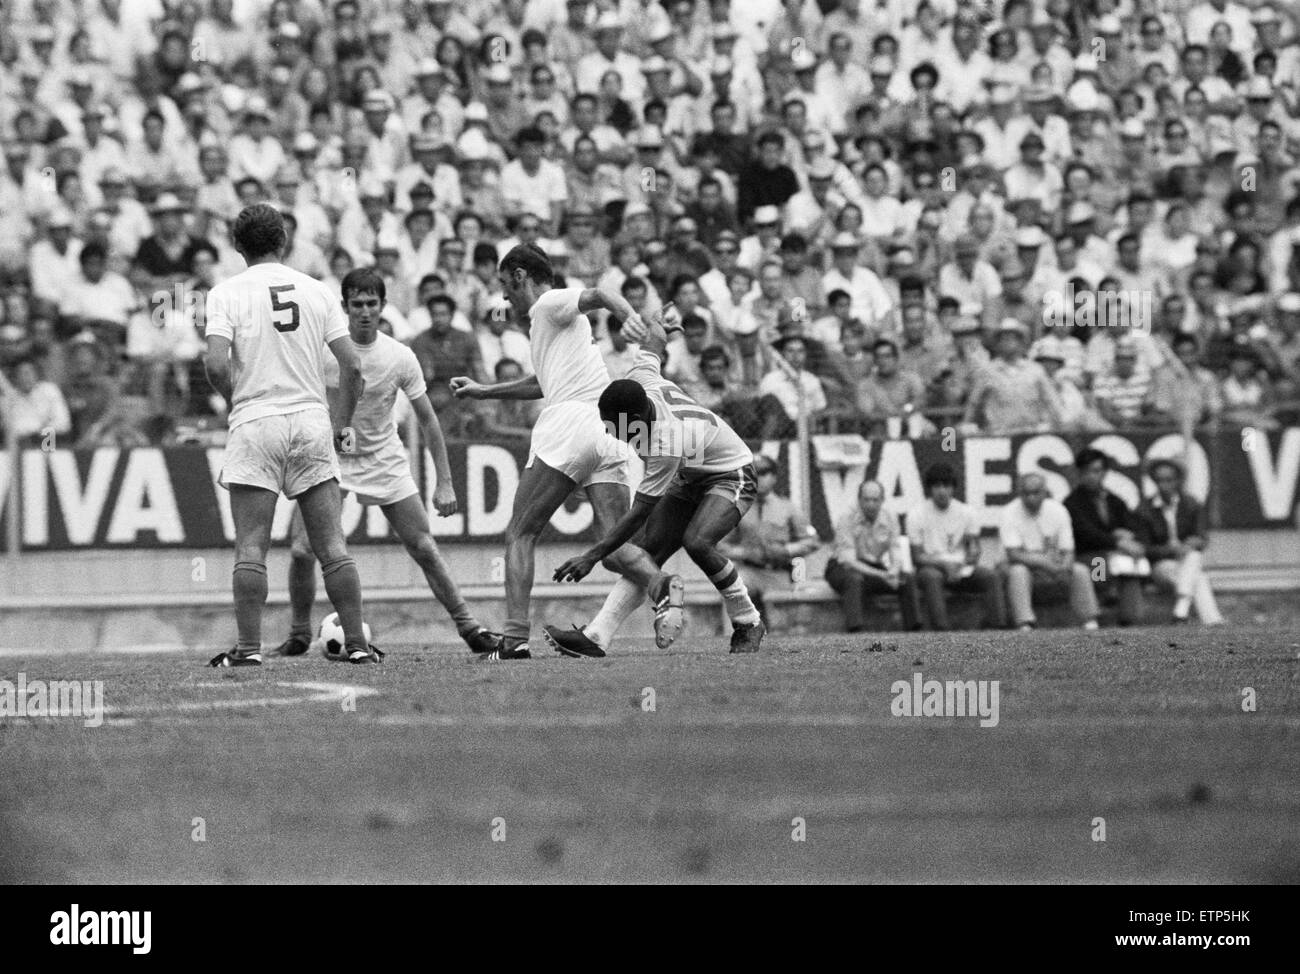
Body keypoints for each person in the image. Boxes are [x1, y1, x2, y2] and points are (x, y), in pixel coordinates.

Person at [450, 243, 680, 660]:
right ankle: (663, 586)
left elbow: (599, 294)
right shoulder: (550, 327)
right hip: (606, 432)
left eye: (506, 285)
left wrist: (630, 320)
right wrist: (484, 391)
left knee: (520, 532)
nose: (504, 297)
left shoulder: (549, 302)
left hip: (568, 426)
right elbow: (542, 382)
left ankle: (515, 639)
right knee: (612, 549)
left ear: (521, 276)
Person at [274, 269, 500, 659]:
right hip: (331, 459)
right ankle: (297, 633)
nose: (365, 312)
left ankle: (469, 627)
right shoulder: (323, 353)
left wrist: (444, 483)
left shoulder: (399, 355)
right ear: (345, 307)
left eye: (372, 304)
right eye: (357, 304)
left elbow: (428, 419)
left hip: (383, 457)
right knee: (300, 550)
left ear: (382, 306)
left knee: (424, 546)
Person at [202, 204, 373, 666]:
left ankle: (248, 650)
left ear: (238, 246)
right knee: (331, 544)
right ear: (284, 242)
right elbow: (354, 365)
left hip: (257, 420)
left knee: (252, 543)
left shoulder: (225, 294)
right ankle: (357, 644)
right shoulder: (316, 290)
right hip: (310, 419)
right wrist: (341, 423)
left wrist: (237, 399)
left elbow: (216, 363)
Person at [547, 315, 767, 655]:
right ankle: (597, 636)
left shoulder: (665, 442)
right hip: (692, 473)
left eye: (612, 426)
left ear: (633, 421)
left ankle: (747, 619)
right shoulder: (641, 380)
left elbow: (637, 514)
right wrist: (661, 325)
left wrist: (591, 556)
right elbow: (652, 346)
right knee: (647, 553)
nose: (608, 432)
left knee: (697, 541)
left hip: (731, 472)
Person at [718, 453, 822, 626]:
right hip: (750, 571)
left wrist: (787, 550)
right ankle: (735, 639)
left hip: (779, 573)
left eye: (764, 473)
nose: (759, 478)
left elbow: (812, 541)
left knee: (780, 626)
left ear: (774, 477)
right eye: (754, 473)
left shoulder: (788, 508)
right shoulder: (739, 507)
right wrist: (745, 553)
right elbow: (720, 544)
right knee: (734, 586)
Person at [908, 462, 1007, 631]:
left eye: (946, 486)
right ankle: (942, 630)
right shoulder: (916, 514)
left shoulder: (967, 512)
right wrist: (945, 565)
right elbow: (917, 557)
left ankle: (998, 627)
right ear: (929, 489)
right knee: (932, 577)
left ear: (953, 488)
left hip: (962, 568)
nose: (941, 491)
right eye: (937, 486)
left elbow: (973, 547)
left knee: (990, 575)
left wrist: (971, 558)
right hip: (932, 567)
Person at [999, 472, 1101, 631]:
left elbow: (1068, 550)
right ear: (1020, 494)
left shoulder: (1059, 510)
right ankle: (1025, 622)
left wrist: (1064, 565)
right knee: (1018, 571)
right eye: (1026, 493)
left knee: (1080, 570)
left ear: (1045, 492)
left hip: (1056, 564)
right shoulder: (1009, 512)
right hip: (1020, 565)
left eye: (1035, 493)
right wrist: (1044, 562)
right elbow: (1014, 554)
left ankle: (1089, 620)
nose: (1031, 498)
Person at [1063, 447, 1147, 626]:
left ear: (1104, 472)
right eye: (1086, 472)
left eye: (1096, 471)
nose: (1091, 476)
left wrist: (1128, 535)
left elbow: (1134, 523)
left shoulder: (1113, 500)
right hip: (1088, 556)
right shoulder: (1072, 502)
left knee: (1129, 564)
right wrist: (1117, 541)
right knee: (1100, 566)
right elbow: (1087, 534)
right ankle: (1101, 607)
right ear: (1079, 473)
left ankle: (1130, 619)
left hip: (1116, 555)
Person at [1136, 457, 1224, 624]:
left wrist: (1192, 543)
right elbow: (1145, 548)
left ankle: (1182, 612)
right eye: (1160, 480)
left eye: (1168, 480)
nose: (1164, 485)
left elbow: (1202, 538)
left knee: (1193, 558)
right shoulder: (1145, 509)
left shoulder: (1191, 505)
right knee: (1198, 576)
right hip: (1162, 566)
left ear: (1177, 480)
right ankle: (1209, 619)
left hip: (1186, 561)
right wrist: (1170, 549)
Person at [826, 479, 920, 633]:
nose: (870, 504)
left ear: (882, 500)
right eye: (866, 500)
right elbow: (849, 561)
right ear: (859, 500)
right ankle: (856, 630)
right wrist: (882, 575)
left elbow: (895, 550)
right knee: (854, 578)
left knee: (906, 578)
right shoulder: (846, 518)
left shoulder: (890, 518)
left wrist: (894, 571)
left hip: (873, 568)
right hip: (841, 567)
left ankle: (914, 629)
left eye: (875, 500)